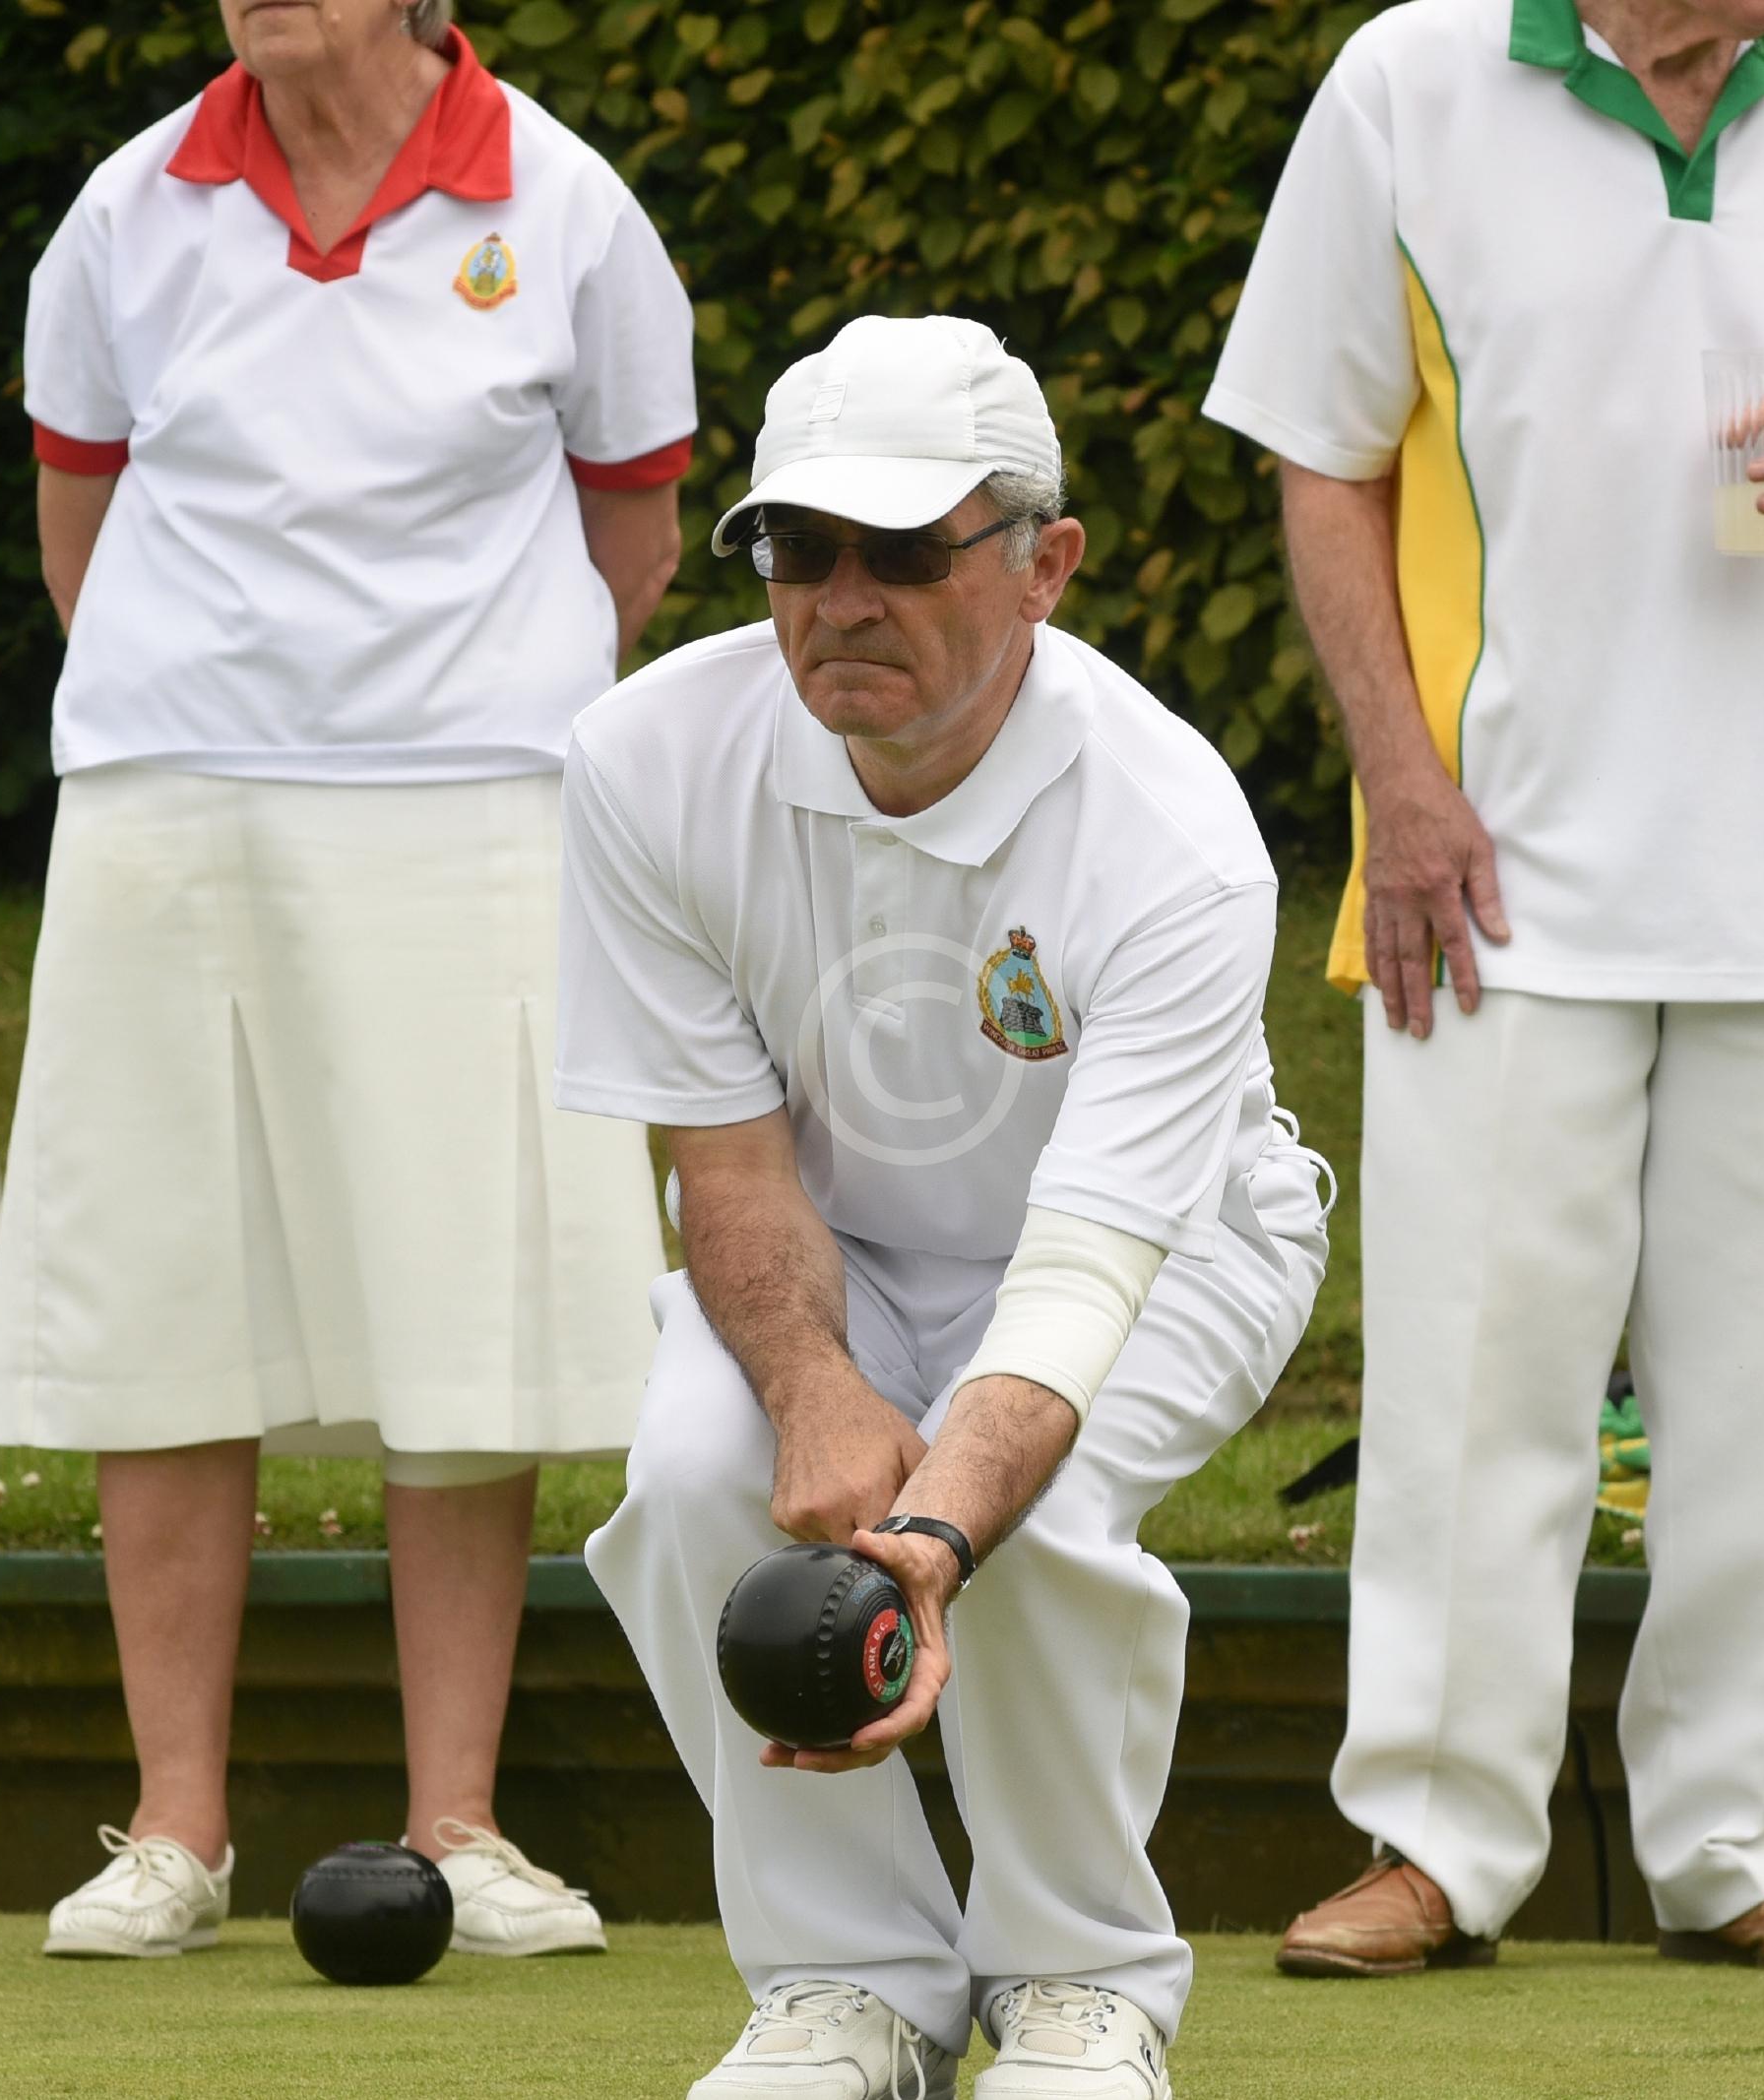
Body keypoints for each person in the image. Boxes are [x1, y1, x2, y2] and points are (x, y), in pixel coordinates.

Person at [1202, 0, 1764, 1977]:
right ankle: (1436, 1841)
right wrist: (1397, 779)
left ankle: (1736, 1835)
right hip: (1492, 864)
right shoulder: (1407, 78)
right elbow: (1319, 462)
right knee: (1474, 1378)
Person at [0, 0, 694, 1962]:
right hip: (170, 794)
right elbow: (83, 517)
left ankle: (456, 1822)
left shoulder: (565, 204)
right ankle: (174, 1827)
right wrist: (217, 697)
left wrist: (457, 693)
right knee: (167, 1283)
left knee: (459, 1297)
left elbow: (628, 529)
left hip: (473, 797)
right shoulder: (128, 208)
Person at [559, 314, 1330, 2098]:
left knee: (1034, 1522)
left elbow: (1085, 1267)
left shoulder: (1176, 829)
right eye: (797, 549)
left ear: (1044, 567)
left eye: (905, 552)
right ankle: (848, 1986)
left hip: (1173, 1238)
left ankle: (1081, 1982)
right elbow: (729, 1166)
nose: (841, 598)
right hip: (840, 1249)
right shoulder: (642, 762)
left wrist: (933, 1531)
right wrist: (821, 1396)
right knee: (693, 1478)